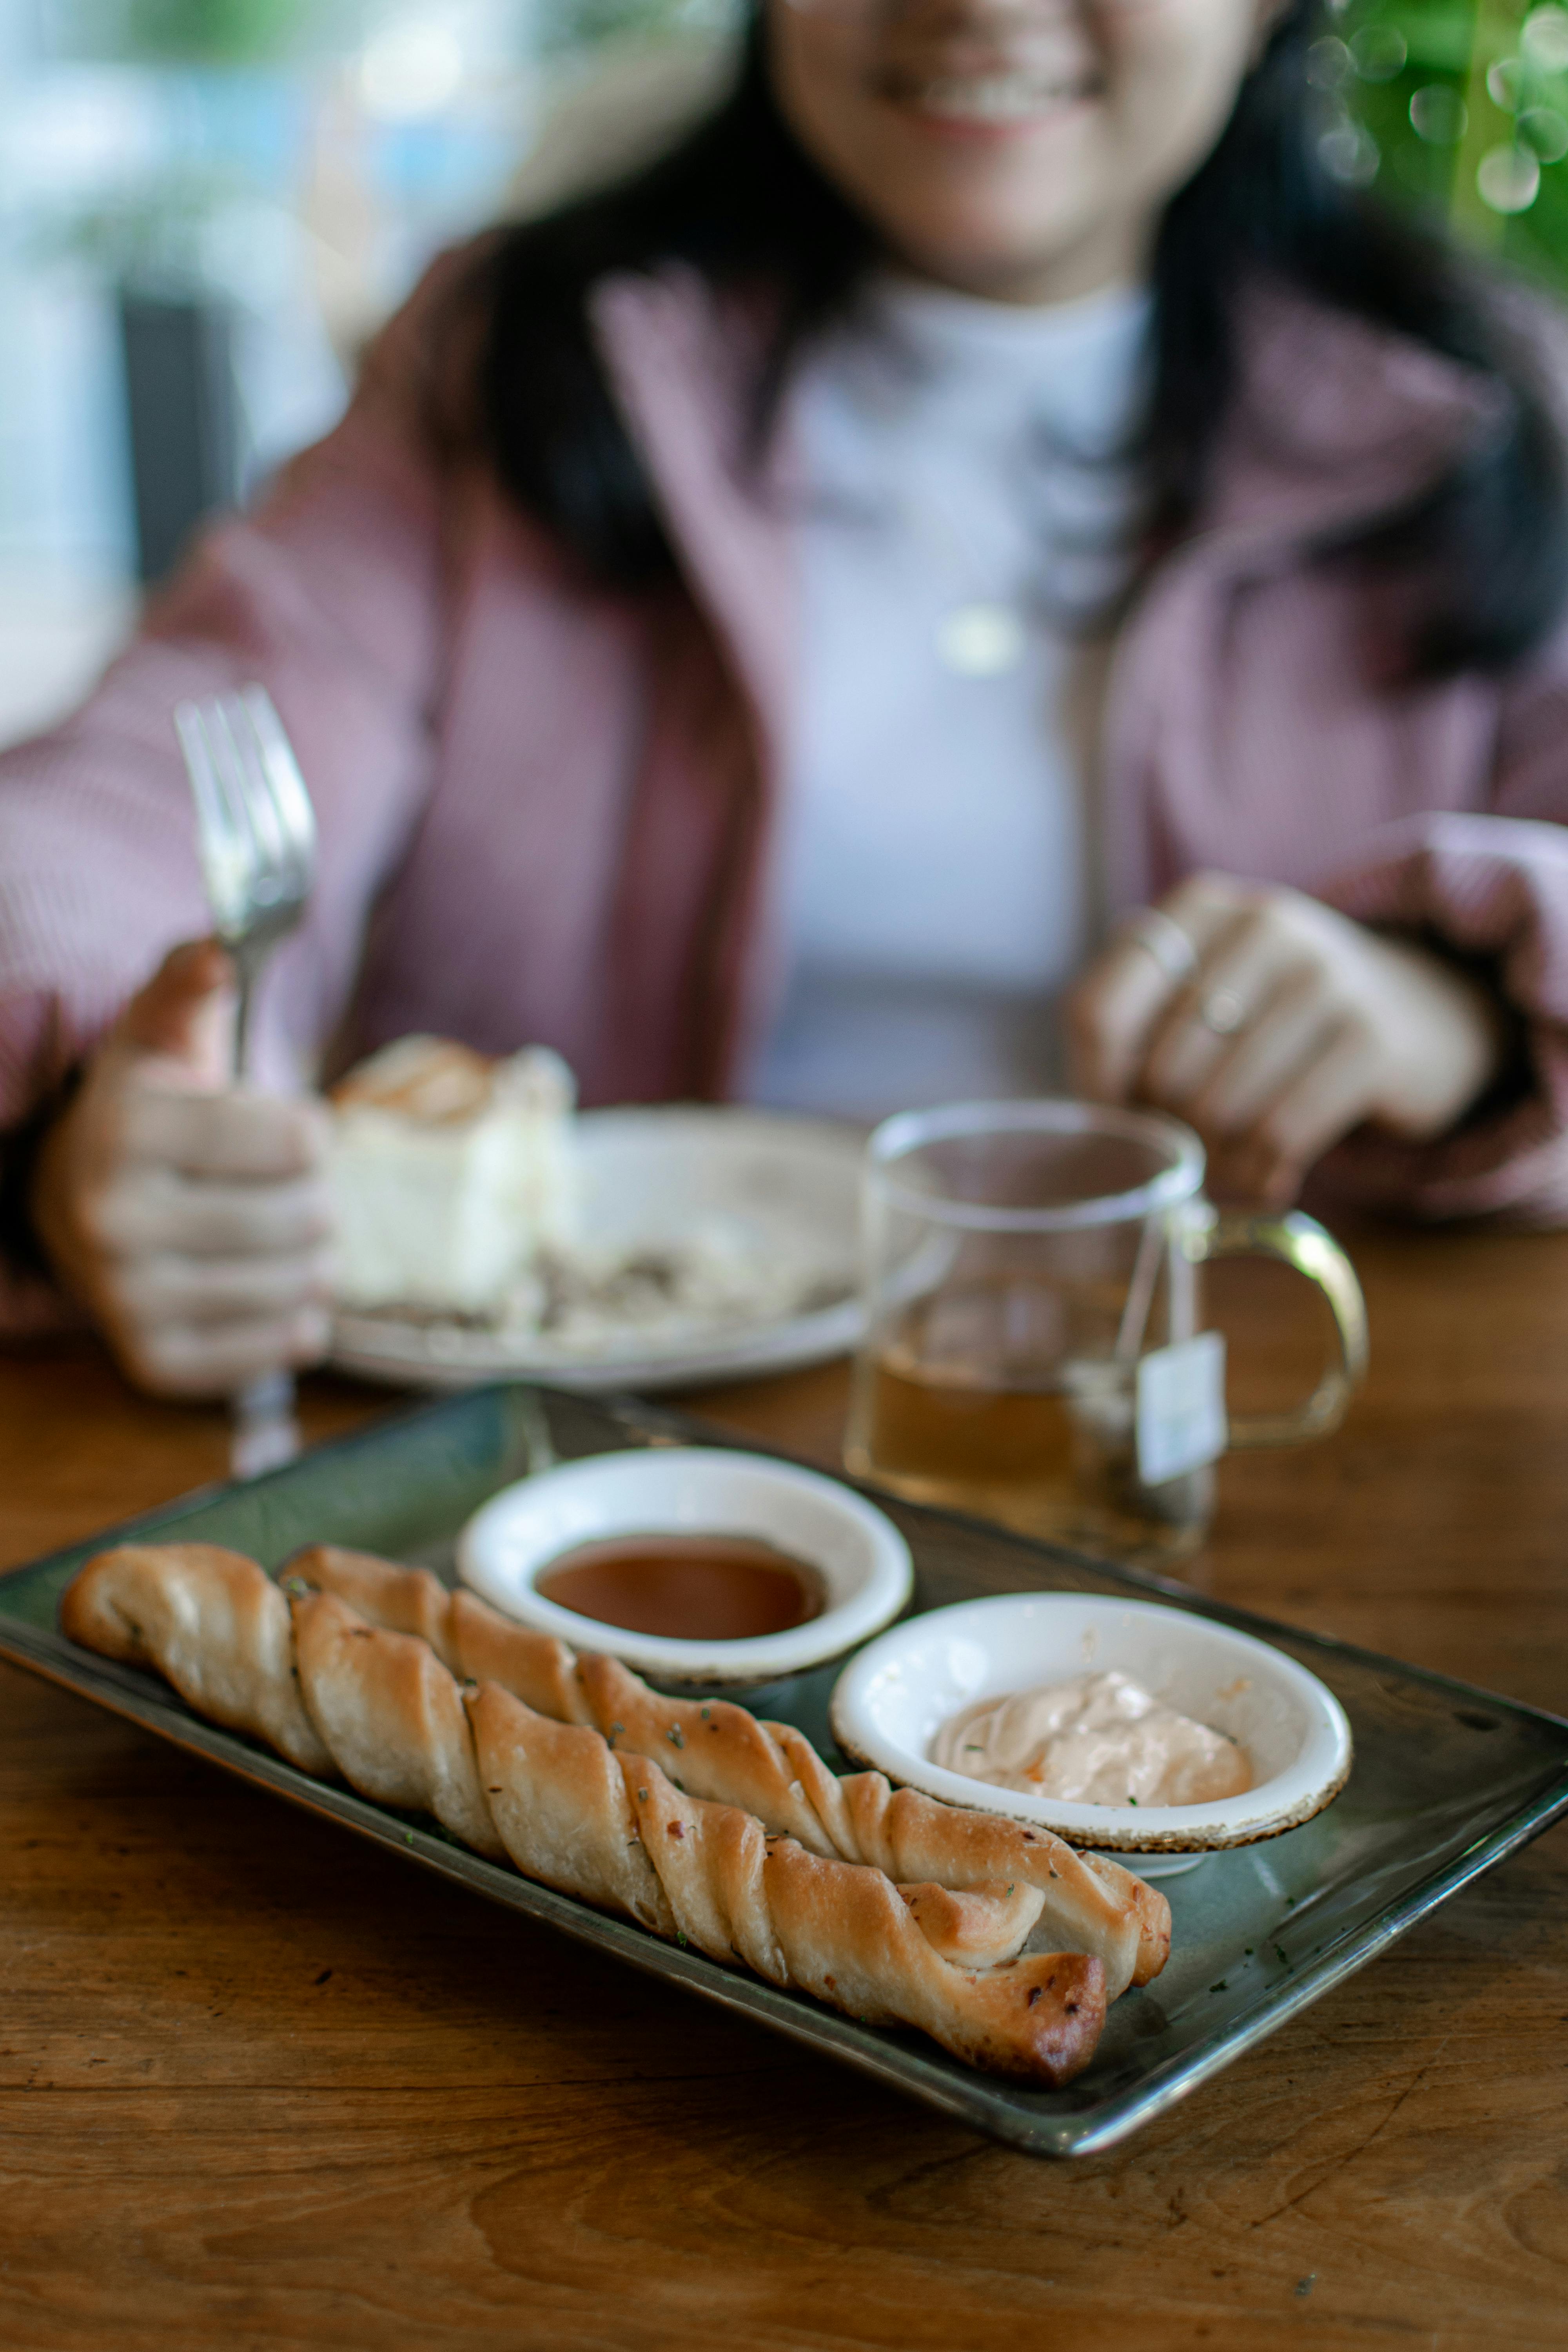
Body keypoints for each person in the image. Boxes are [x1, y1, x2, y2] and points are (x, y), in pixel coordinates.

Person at [4, 0, 1567, 1400]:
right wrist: (84, 1100)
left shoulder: (1484, 412)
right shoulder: (518, 354)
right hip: (545, 1469)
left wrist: (1466, 1007)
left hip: (1261, 1455)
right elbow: (177, 748)